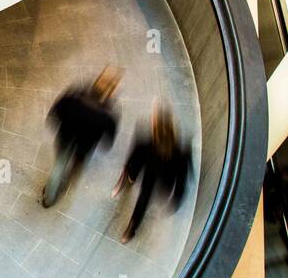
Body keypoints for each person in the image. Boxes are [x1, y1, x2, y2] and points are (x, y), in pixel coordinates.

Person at [42, 67, 122, 208]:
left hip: (65, 137)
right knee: (77, 162)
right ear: (110, 92)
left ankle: (49, 197)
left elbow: (55, 112)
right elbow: (107, 142)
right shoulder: (108, 115)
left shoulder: (75, 95)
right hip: (84, 146)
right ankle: (73, 170)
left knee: (59, 165)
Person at [112, 102, 191, 244]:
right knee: (143, 200)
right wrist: (176, 199)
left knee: (143, 200)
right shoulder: (182, 150)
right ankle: (131, 229)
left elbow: (134, 159)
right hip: (164, 182)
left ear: (154, 126)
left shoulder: (145, 142)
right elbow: (182, 179)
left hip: (149, 178)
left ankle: (131, 229)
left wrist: (130, 173)